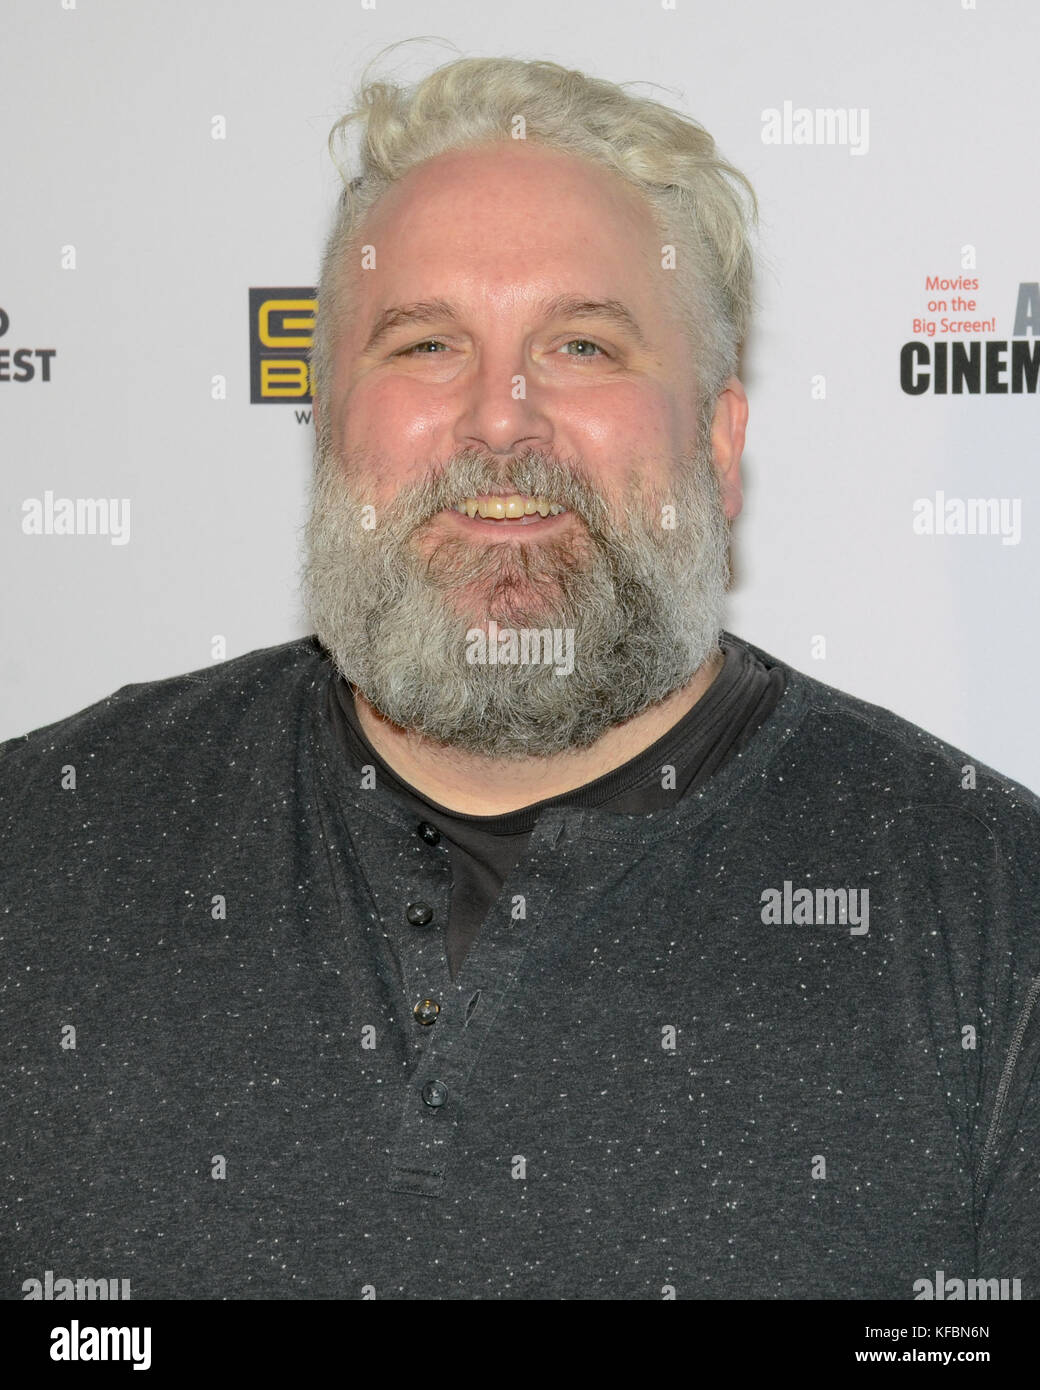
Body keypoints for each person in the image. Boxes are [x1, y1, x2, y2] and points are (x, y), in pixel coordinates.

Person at [2, 53, 1038, 1302]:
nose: (501, 418)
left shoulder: (991, 910)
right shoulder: (41, 842)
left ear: (716, 445)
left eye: (582, 345)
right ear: (326, 420)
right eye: (428, 343)